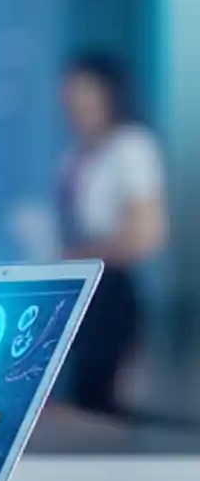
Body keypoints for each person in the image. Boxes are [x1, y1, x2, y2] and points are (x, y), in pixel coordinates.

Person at [57, 51, 166, 414]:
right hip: (76, 286)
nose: (72, 98)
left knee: (103, 396)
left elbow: (146, 234)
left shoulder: (131, 147)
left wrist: (77, 256)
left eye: (83, 88)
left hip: (111, 288)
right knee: (78, 393)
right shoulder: (74, 153)